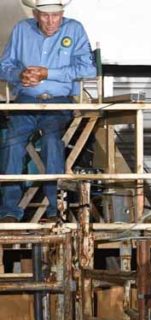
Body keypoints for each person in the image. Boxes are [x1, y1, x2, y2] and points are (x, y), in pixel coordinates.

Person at [0, 0, 96, 222]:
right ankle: (9, 211)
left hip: (58, 102)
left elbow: (88, 68)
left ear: (62, 13)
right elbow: (3, 67)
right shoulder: (22, 29)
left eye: (56, 15)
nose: (51, 21)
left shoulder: (74, 28)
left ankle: (56, 210)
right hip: (25, 101)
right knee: (12, 143)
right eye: (45, 16)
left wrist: (48, 73)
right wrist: (19, 75)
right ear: (35, 14)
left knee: (52, 142)